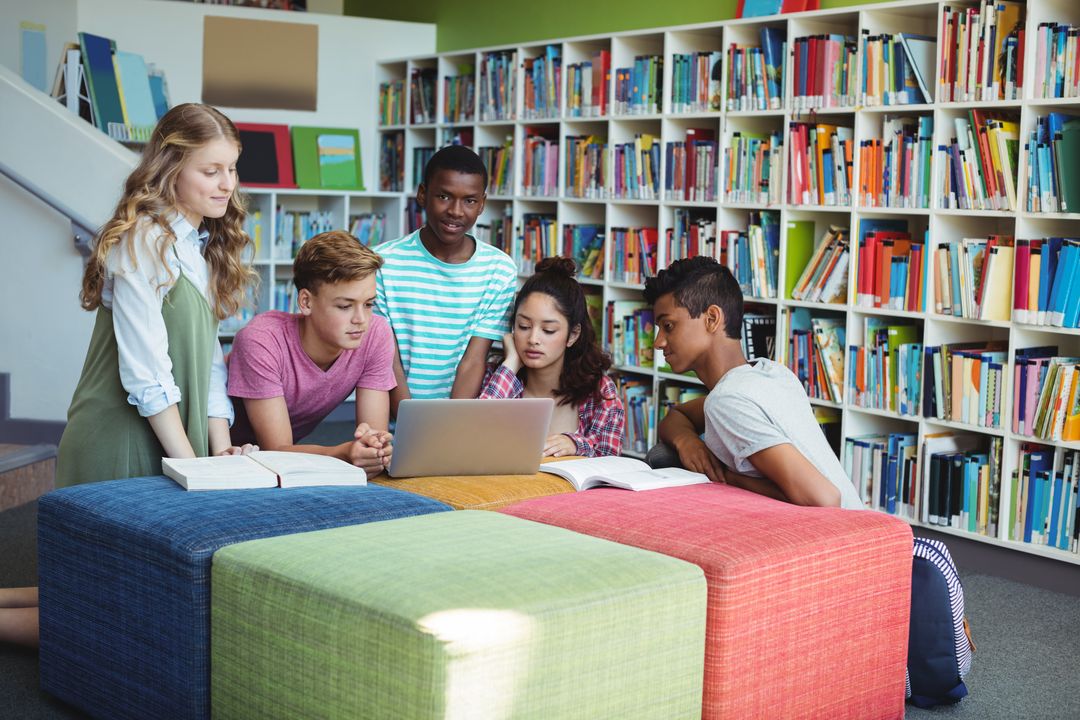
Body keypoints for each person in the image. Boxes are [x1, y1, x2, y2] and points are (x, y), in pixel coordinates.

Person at [2, 104, 257, 648]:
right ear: (171, 169)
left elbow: (210, 364)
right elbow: (146, 373)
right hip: (118, 438)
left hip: (171, 435)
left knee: (95, 588)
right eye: (210, 171)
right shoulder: (145, 240)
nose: (226, 185)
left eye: (231, 169)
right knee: (100, 612)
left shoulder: (201, 246)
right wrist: (191, 468)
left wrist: (219, 451)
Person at [645, 256, 862, 509]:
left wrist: (724, 476)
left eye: (668, 326)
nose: (658, 342)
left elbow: (824, 499)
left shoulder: (727, 400)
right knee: (664, 455)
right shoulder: (770, 373)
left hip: (838, 534)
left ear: (712, 319)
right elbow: (677, 416)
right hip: (862, 525)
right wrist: (687, 442)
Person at [228, 230, 394, 476]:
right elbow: (276, 451)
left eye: (369, 304)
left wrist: (372, 451)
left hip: (273, 459)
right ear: (305, 302)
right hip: (213, 452)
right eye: (345, 306)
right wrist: (344, 453)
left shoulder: (376, 333)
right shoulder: (261, 340)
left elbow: (374, 440)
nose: (361, 320)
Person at [375, 145, 517, 414]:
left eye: (470, 201)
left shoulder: (499, 270)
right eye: (443, 196)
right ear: (422, 194)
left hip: (458, 419)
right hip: (391, 417)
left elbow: (474, 360)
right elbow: (387, 359)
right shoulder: (382, 263)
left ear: (482, 204)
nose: (456, 211)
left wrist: (447, 426)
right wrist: (411, 421)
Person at [480, 257, 624, 457]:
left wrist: (577, 445)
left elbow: (610, 460)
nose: (533, 339)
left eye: (548, 330)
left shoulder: (599, 390)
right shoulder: (495, 377)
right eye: (524, 327)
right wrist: (511, 364)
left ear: (572, 335)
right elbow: (475, 436)